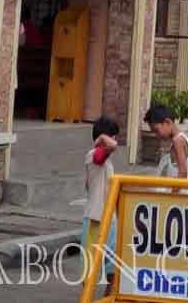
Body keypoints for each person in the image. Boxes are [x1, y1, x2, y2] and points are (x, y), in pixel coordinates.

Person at [82, 116, 119, 280]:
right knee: (91, 270)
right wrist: (103, 139)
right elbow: (113, 146)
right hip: (95, 220)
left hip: (109, 220)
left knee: (113, 270)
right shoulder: (94, 155)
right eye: (113, 136)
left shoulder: (105, 160)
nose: (115, 140)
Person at [144, 105, 188, 179]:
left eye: (156, 130)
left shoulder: (177, 141)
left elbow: (183, 173)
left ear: (167, 122)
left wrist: (174, 191)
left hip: (182, 190)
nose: (156, 135)